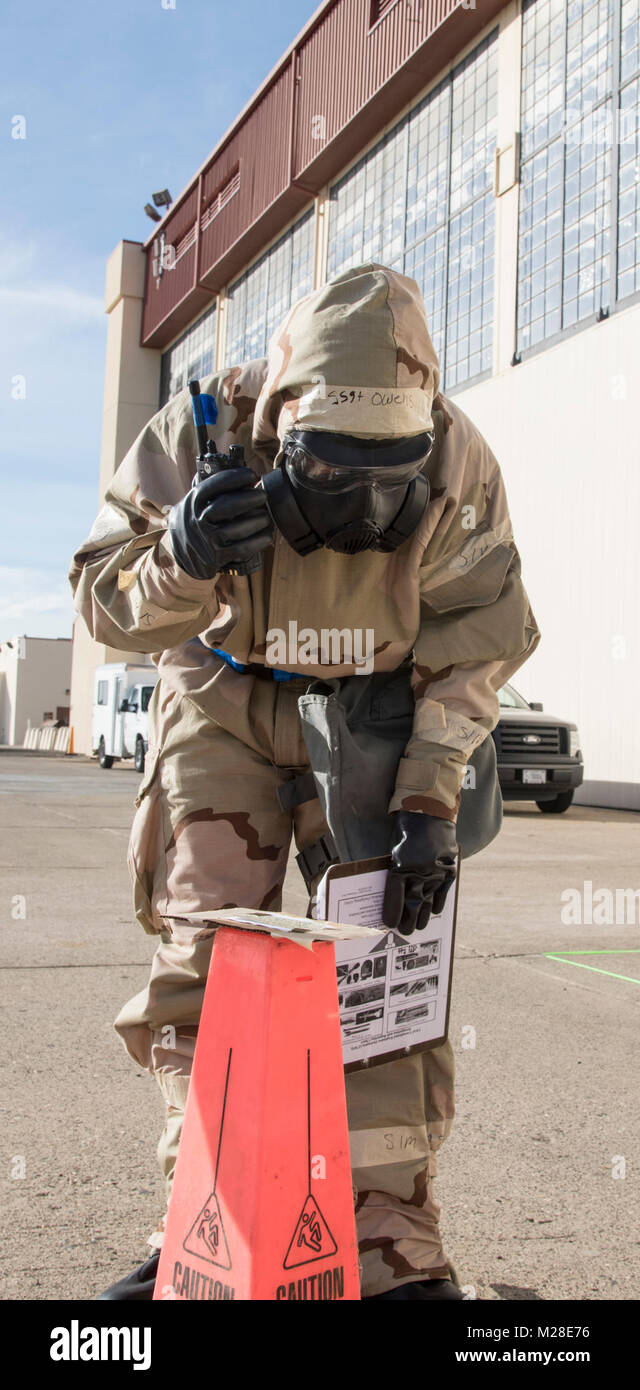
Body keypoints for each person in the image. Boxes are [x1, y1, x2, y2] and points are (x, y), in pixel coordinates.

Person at [69, 263, 540, 1301]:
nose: (367, 505)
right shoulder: (203, 434)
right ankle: (208, 1220)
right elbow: (106, 608)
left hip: (373, 700)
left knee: (383, 970)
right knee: (205, 970)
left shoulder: (459, 460)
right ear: (282, 426)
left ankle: (392, 1251)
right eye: (333, 477)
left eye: (391, 479)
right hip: (222, 693)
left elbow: (477, 643)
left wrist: (426, 803)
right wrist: (179, 557)